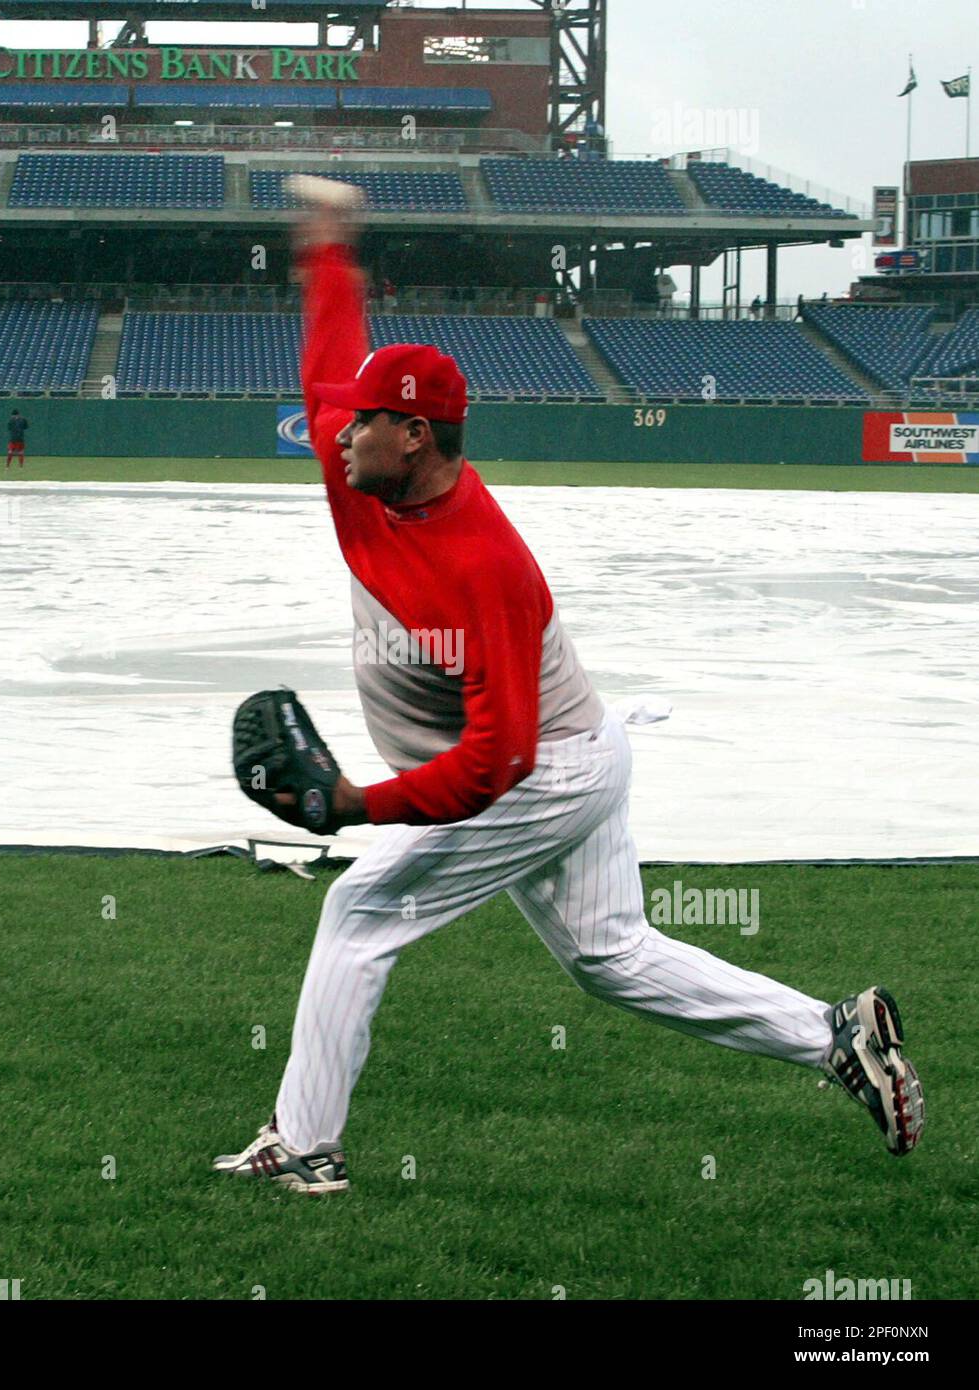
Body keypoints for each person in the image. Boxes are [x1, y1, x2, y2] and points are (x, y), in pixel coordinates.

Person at [211, 192, 925, 1195]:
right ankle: (834, 1034)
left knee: (358, 914)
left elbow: (496, 762)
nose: (336, 431)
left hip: (542, 770)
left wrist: (356, 808)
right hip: (569, 748)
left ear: (412, 437)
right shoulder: (354, 462)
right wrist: (328, 249)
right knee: (610, 954)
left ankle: (305, 1144)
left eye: (368, 420)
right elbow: (328, 366)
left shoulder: (483, 563)